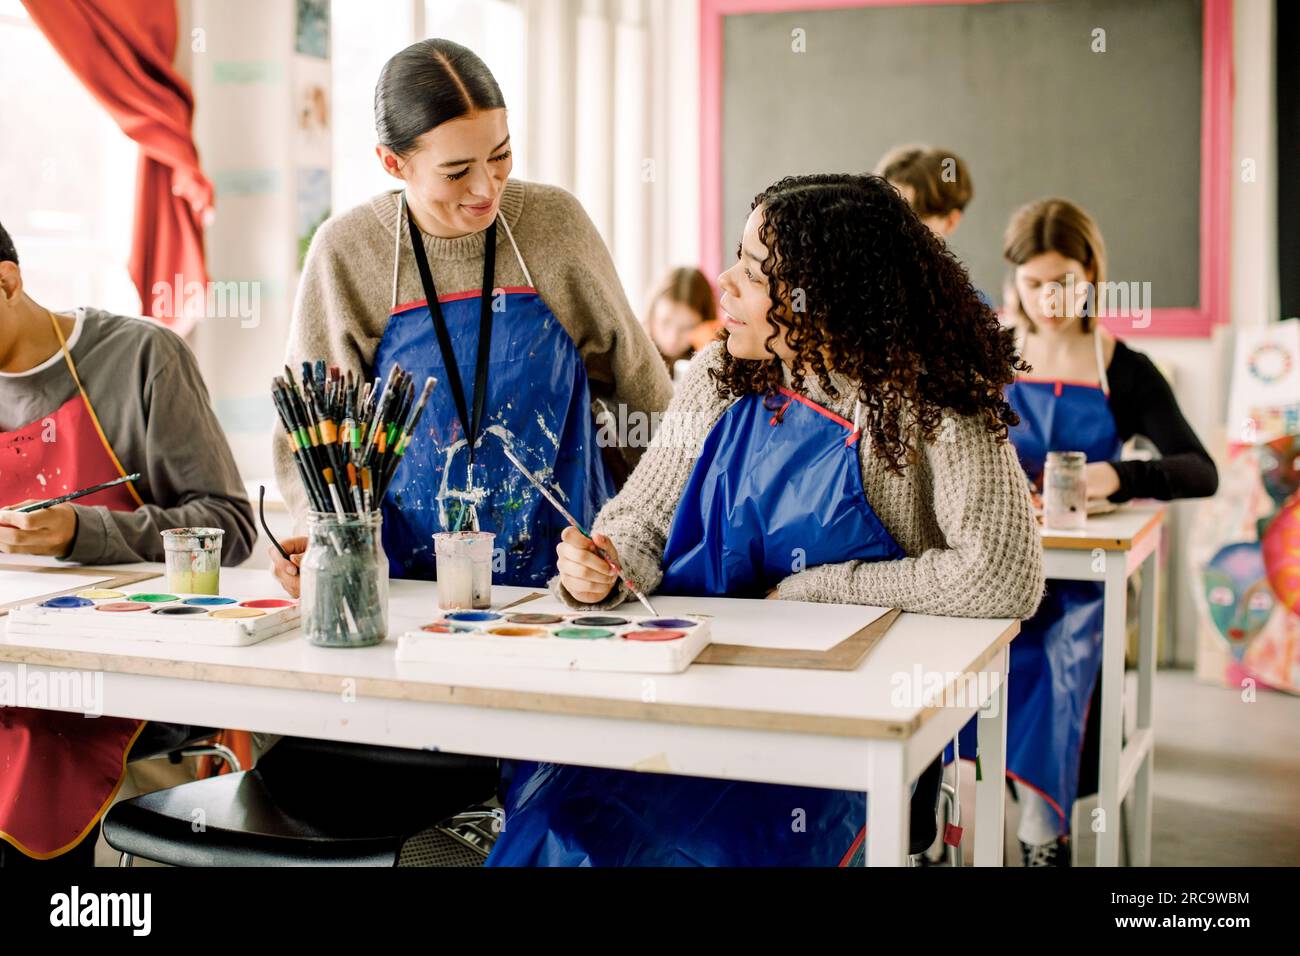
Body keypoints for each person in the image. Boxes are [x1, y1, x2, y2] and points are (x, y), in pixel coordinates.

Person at [484, 173, 1045, 866]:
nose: (724, 281)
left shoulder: (930, 399)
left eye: (753, 271)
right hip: (693, 687)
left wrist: (821, 588)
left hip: (842, 720)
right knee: (561, 821)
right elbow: (643, 519)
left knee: (705, 849)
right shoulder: (718, 374)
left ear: (825, 296)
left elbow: (1002, 575)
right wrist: (605, 562)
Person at [270, 39, 671, 594]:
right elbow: (315, 442)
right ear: (393, 163)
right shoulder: (348, 252)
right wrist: (325, 545)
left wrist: (634, 544)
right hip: (402, 590)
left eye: (501, 155)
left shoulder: (555, 226)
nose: (487, 188)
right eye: (456, 171)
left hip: (568, 586)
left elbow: (645, 405)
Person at [0, 219, 255, 865]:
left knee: (33, 731)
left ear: (6, 282)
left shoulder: (141, 356)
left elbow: (229, 527)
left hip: (134, 673)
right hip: (14, 656)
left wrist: (82, 532)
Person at [981, 198, 1218, 866]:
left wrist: (1116, 476)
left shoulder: (1123, 366)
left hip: (1084, 584)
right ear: (1013, 282)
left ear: (1091, 275)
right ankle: (937, 820)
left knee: (1058, 647)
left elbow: (1200, 470)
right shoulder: (986, 356)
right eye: (1034, 284)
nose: (1049, 299)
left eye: (1064, 282)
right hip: (999, 569)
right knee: (979, 642)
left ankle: (1039, 835)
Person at [641, 266, 719, 377]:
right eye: (665, 322)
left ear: (706, 323)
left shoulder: (713, 360)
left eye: (688, 327)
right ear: (651, 313)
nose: (673, 337)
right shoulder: (633, 353)